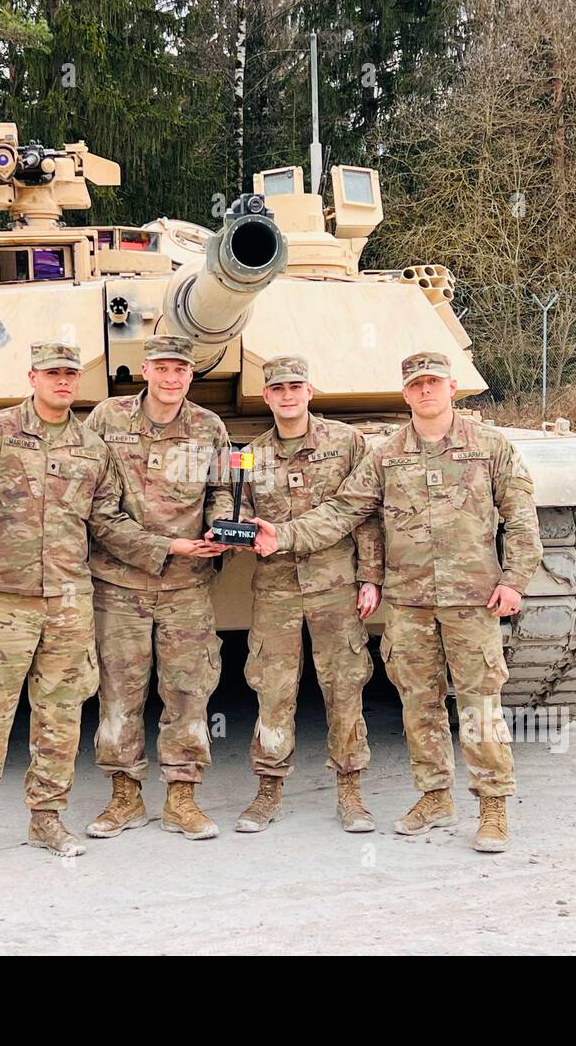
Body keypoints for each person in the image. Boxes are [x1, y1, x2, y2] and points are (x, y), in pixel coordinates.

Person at [252, 351, 542, 852]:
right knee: (418, 702)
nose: (425, 391)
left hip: (473, 599)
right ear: (405, 393)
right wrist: (286, 535)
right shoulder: (384, 455)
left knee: (478, 704)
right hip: (409, 603)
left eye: (434, 382)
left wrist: (515, 579)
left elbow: (520, 516)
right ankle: (434, 796)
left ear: (453, 387)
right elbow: (346, 509)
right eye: (416, 385)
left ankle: (492, 806)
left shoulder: (491, 447)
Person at [0, 340, 164, 868]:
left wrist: (166, 549)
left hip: (67, 600)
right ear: (32, 376)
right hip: (1, 599)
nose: (62, 382)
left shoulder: (89, 445)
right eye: (52, 373)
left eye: (70, 374)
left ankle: (46, 816)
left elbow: (107, 521)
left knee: (60, 714)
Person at [210, 354, 384, 833]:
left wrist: (371, 576)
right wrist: (230, 526)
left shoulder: (348, 443)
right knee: (273, 687)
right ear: (266, 396)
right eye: (278, 388)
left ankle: (350, 791)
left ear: (310, 391)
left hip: (336, 585)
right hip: (277, 587)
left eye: (296, 387)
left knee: (344, 685)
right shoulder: (249, 454)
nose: (287, 395)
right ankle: (268, 789)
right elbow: (235, 501)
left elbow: (366, 513)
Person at [84, 335, 231, 841]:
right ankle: (124, 796)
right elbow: (94, 507)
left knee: (188, 692)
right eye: (163, 368)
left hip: (187, 587)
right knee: (120, 693)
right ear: (145, 370)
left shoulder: (209, 427)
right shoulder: (106, 420)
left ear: (192, 375)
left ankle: (182, 799)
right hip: (119, 581)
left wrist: (220, 529)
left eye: (181, 370)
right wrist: (167, 546)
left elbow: (222, 490)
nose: (172, 378)